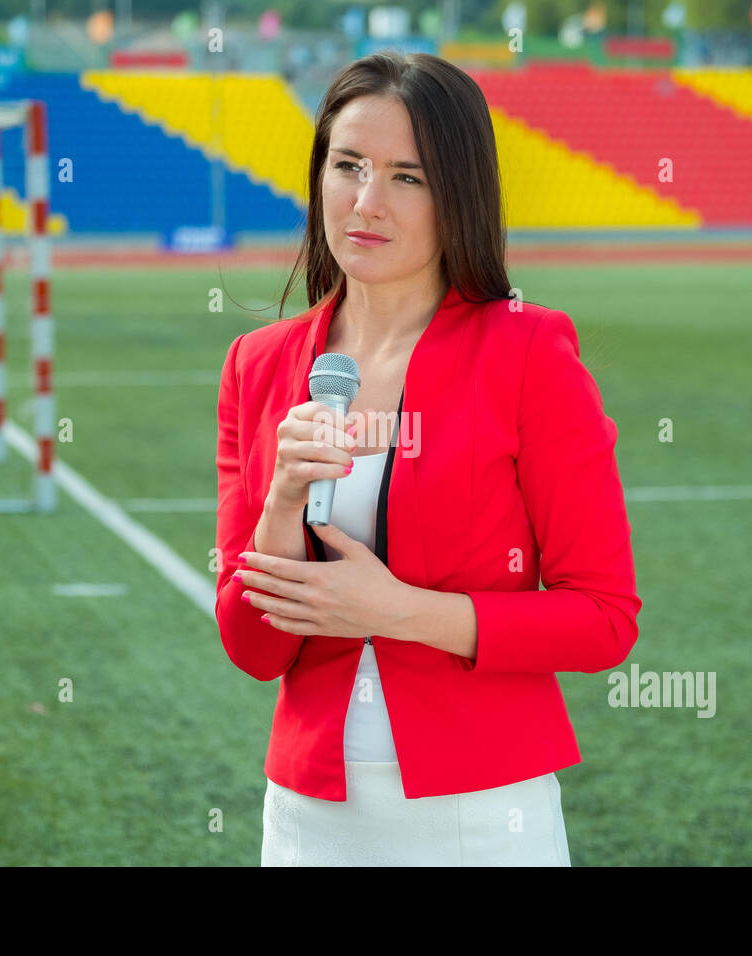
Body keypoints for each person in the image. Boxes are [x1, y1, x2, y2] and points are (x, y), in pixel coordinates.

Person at [214, 51, 642, 866]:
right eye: (349, 166)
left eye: (408, 177)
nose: (366, 203)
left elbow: (603, 618)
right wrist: (279, 503)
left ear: (459, 196)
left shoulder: (528, 352)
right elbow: (252, 648)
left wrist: (394, 610)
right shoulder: (258, 364)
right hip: (309, 816)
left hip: (483, 816)